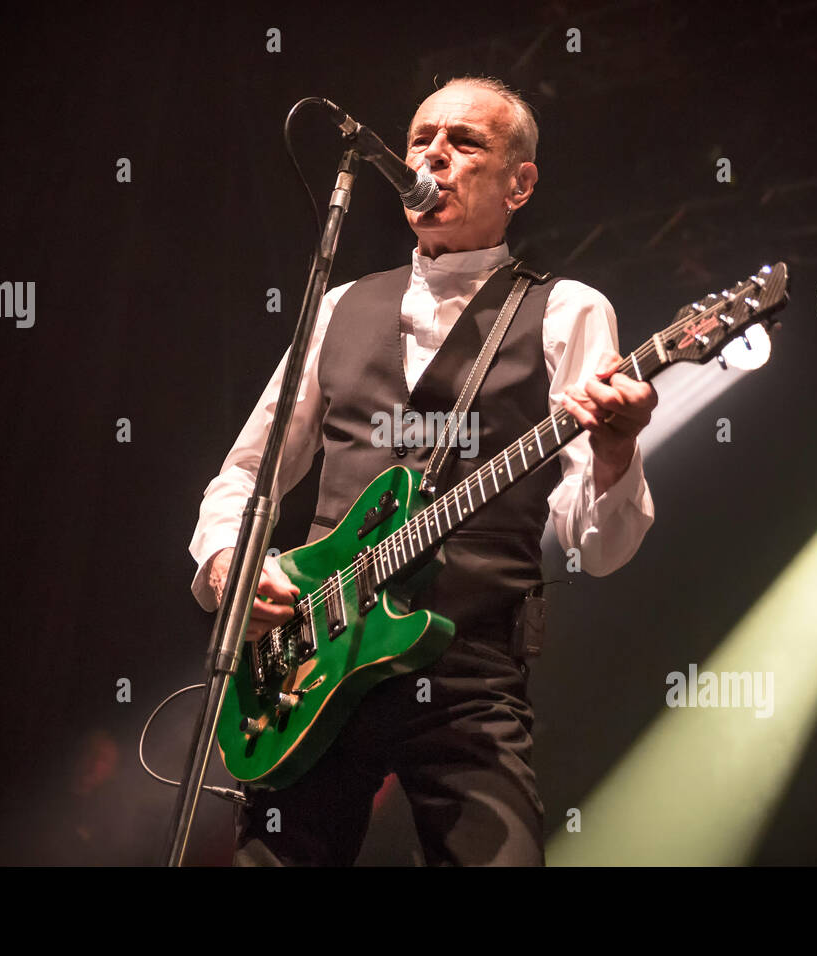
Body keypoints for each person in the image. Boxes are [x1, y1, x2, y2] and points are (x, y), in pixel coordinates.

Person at [189, 76, 658, 865]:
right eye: (419, 139)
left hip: (468, 675)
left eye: (465, 142)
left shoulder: (568, 309)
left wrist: (615, 447)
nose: (433, 154)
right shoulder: (339, 307)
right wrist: (231, 565)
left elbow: (600, 547)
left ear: (521, 182)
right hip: (311, 667)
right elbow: (246, 476)